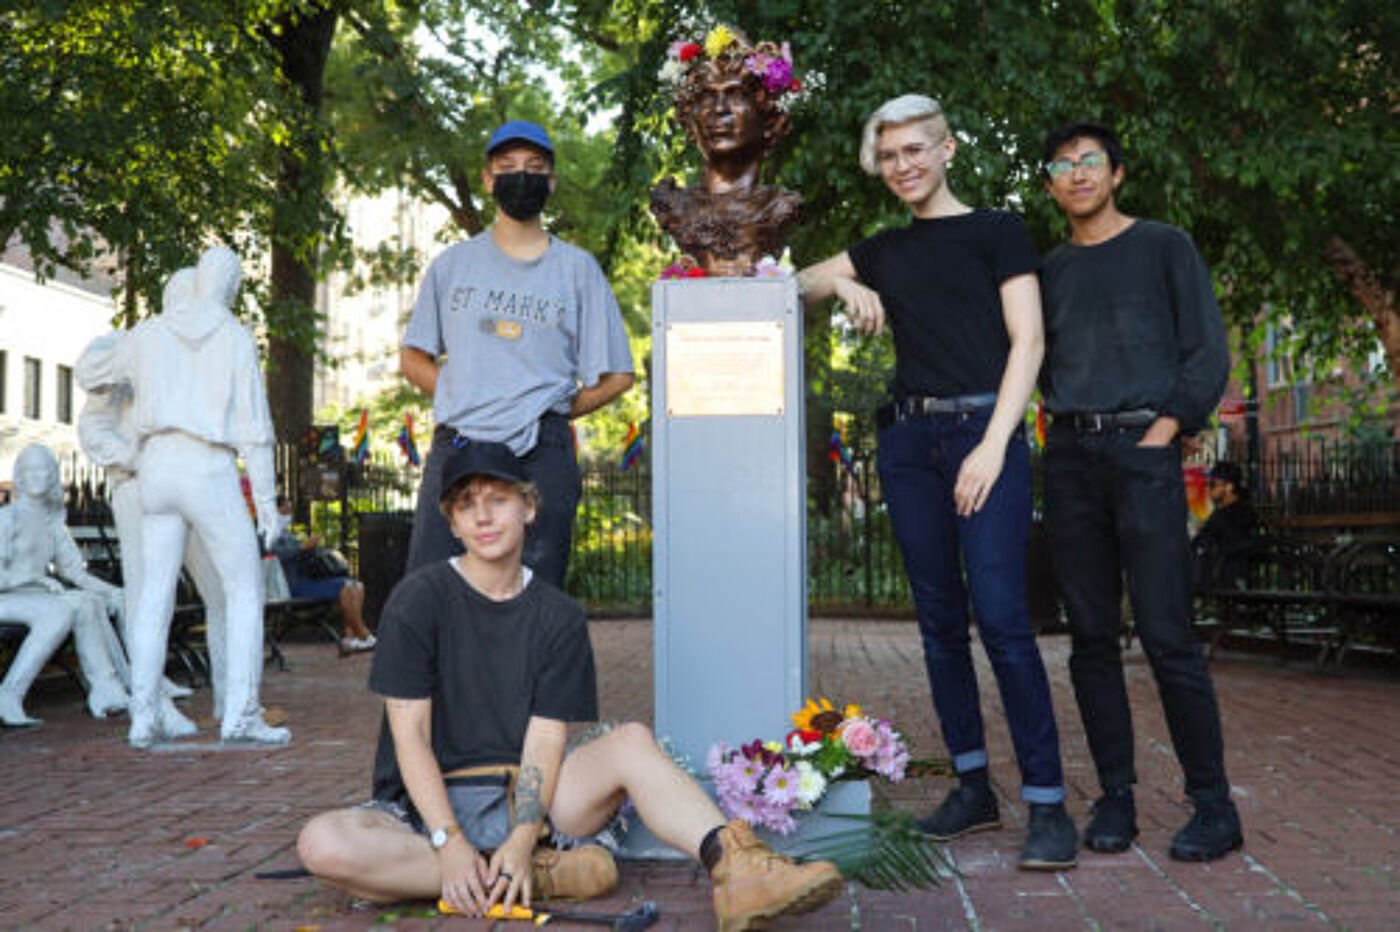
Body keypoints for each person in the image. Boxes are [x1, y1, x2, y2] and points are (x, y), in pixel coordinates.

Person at [296, 442, 844, 931]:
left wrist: (519, 832)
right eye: (466, 505)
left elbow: (544, 739)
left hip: (540, 801)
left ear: (530, 507)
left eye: (498, 499)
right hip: (430, 808)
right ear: (453, 523)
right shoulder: (419, 598)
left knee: (629, 740)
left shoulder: (558, 615)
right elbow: (409, 736)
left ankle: (738, 867)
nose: (483, 516)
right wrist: (450, 843)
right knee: (322, 844)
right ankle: (542, 876)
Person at [796, 94, 1076, 870]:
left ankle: (1047, 802)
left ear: (947, 148)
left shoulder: (997, 230)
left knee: (1003, 618)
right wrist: (844, 284)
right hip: (910, 443)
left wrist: (993, 447)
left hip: (984, 432)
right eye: (888, 156)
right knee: (939, 622)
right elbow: (787, 286)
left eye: (915, 150)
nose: (902, 166)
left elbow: (1029, 341)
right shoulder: (882, 248)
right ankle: (973, 786)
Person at [1038, 120, 1242, 861]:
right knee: (1090, 638)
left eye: (1090, 160)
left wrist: (1165, 429)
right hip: (1069, 459)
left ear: (1117, 173)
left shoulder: (1164, 246)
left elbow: (1207, 351)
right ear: (1051, 183)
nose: (1078, 173)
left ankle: (1214, 805)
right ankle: (1116, 799)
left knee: (1166, 634)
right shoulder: (1048, 271)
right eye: (1062, 165)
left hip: (1143, 450)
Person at [400, 119, 634, 587]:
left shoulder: (577, 270)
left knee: (534, 590)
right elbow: (412, 358)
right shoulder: (452, 266)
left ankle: (525, 665)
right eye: (507, 167)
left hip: (540, 450)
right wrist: (464, 394)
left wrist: (553, 409)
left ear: (550, 181)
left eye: (533, 167)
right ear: (488, 180)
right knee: (430, 590)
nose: (520, 176)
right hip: (459, 443)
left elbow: (618, 376)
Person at [76, 245, 287, 748]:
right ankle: (241, 712)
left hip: (156, 468)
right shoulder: (235, 336)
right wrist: (265, 498)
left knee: (153, 595)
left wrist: (118, 353)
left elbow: (89, 373)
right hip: (208, 464)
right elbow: (255, 428)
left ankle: (143, 715)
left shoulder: (147, 333)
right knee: (242, 590)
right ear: (231, 285)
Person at [649, 28, 802, 276]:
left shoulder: (779, 206)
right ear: (690, 123)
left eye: (736, 95)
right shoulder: (674, 206)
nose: (719, 109)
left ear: (768, 120)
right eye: (706, 98)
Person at [0, 444, 130, 727]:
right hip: (7, 598)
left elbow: (75, 573)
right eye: (30, 470)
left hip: (31, 597)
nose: (37, 476)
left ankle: (107, 689)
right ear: (19, 475)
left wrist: (114, 592)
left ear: (52, 477)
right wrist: (37, 579)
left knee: (87, 602)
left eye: (44, 470)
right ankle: (9, 694)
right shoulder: (7, 518)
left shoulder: (52, 524)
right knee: (58, 612)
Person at [270, 495, 376, 653]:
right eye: (286, 510)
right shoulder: (270, 534)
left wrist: (308, 546)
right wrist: (303, 547)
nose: (289, 515)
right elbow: (276, 553)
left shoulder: (286, 533)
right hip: (294, 585)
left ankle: (350, 637)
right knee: (346, 587)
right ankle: (364, 634)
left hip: (308, 579)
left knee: (356, 585)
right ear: (276, 511)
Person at [1193, 461, 1259, 591]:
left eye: (1212, 485)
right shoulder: (1223, 512)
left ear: (1229, 487)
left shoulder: (1238, 513)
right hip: (1217, 575)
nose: (1208, 490)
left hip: (1228, 578)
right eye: (1207, 484)